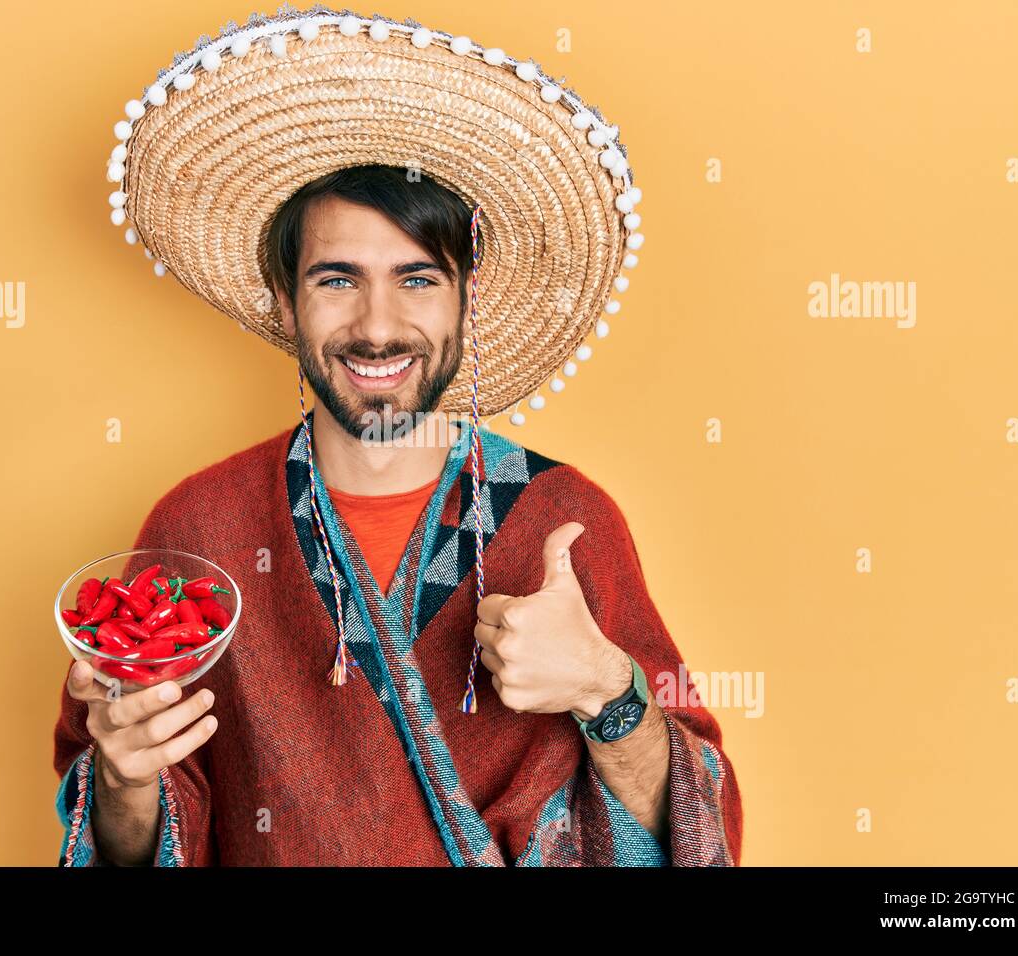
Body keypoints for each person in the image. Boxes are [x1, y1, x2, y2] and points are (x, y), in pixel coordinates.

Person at [54, 6, 741, 866]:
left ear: (466, 299)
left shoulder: (564, 516)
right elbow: (131, 844)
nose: (378, 327)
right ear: (282, 299)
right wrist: (122, 778)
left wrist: (609, 693)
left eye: (417, 279)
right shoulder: (199, 529)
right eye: (338, 279)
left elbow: (696, 833)